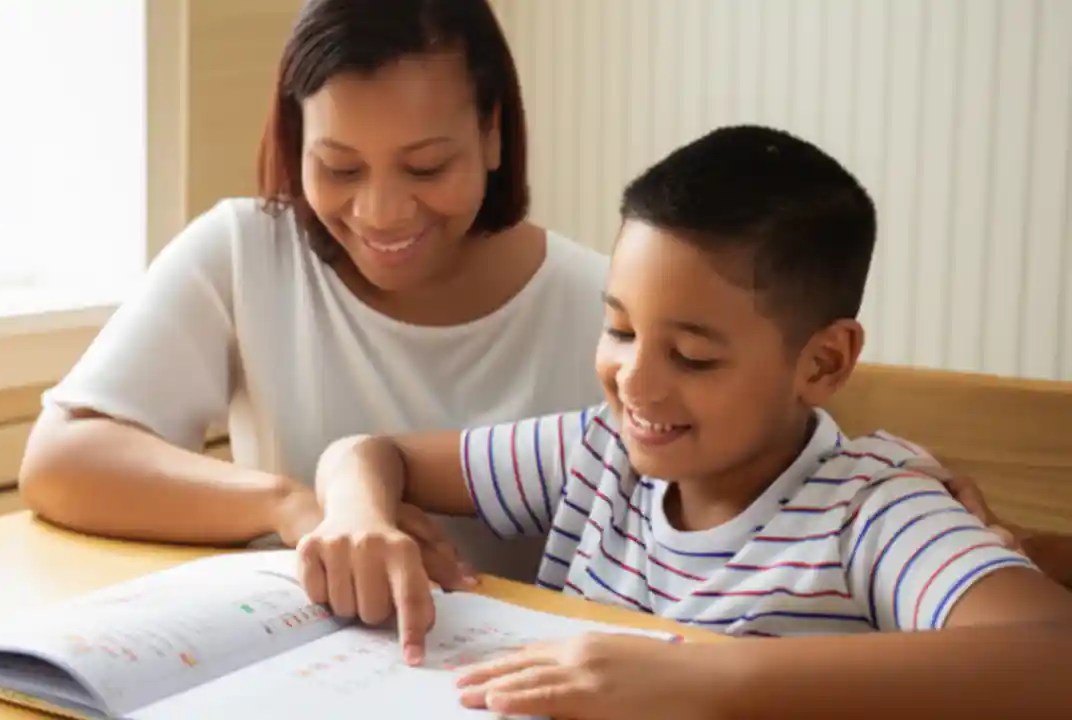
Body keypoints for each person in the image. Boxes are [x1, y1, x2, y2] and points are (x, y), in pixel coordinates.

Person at [298, 126, 1072, 718]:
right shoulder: (597, 451)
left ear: (824, 363)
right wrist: (362, 514)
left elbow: (1054, 655)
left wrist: (702, 673)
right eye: (622, 331)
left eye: (694, 357)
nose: (635, 380)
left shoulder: (871, 511)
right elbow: (371, 452)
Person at [18, 0, 608, 582]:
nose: (382, 214)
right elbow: (59, 461)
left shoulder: (608, 307)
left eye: (426, 168)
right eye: (341, 169)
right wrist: (295, 507)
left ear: (492, 133)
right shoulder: (246, 250)